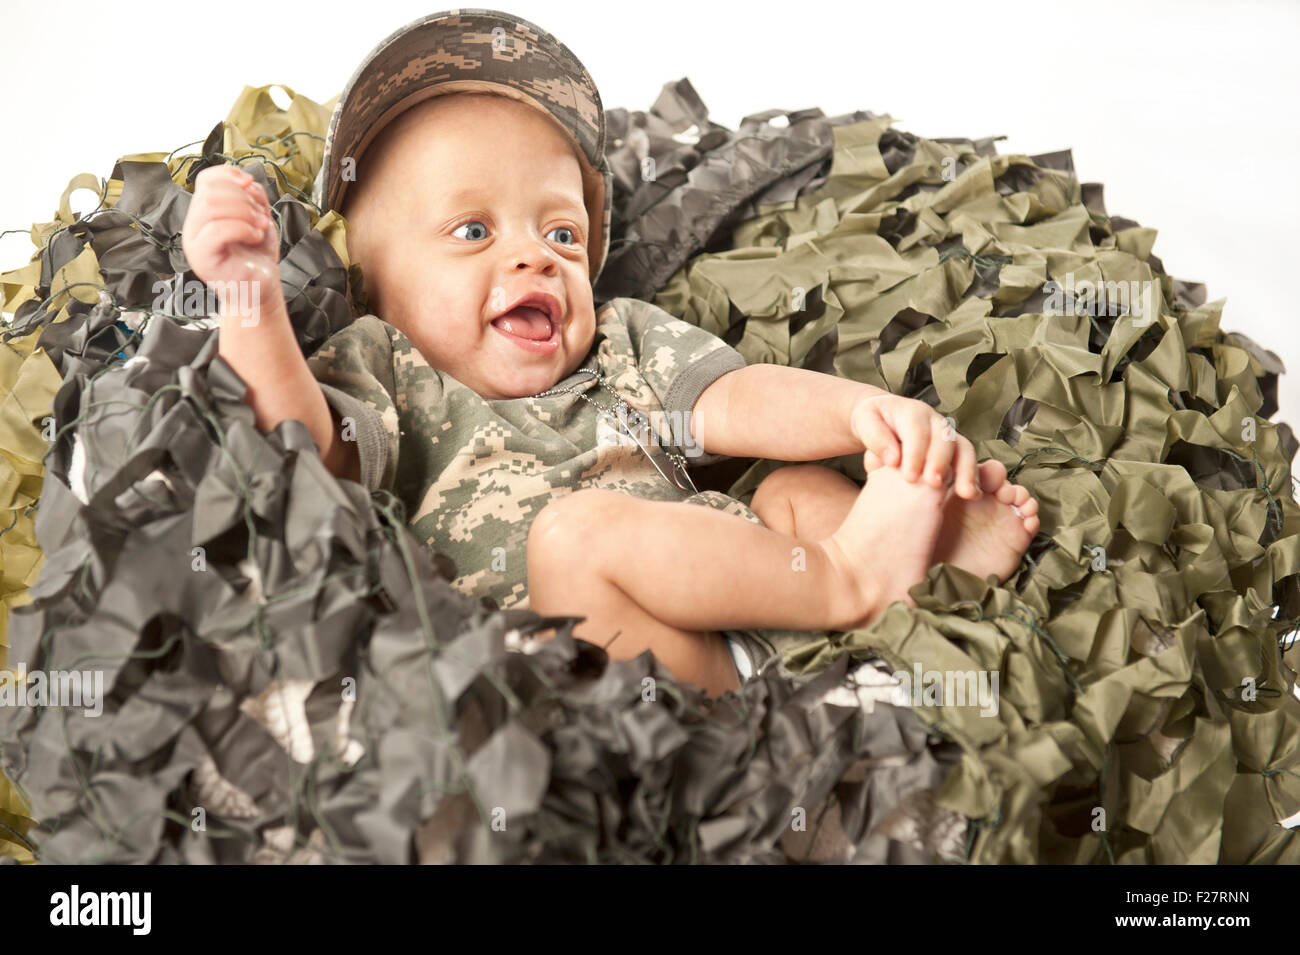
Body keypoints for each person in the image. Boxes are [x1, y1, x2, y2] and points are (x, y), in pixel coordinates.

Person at [179, 9, 1039, 698]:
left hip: (756, 597)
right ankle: (853, 577)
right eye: (472, 230)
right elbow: (295, 444)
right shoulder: (384, 369)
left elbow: (738, 402)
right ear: (373, 287)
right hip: (638, 675)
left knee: (787, 484)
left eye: (560, 231)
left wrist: (862, 414)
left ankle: (919, 572)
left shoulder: (619, 341)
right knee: (575, 536)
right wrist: (246, 290)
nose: (533, 255)